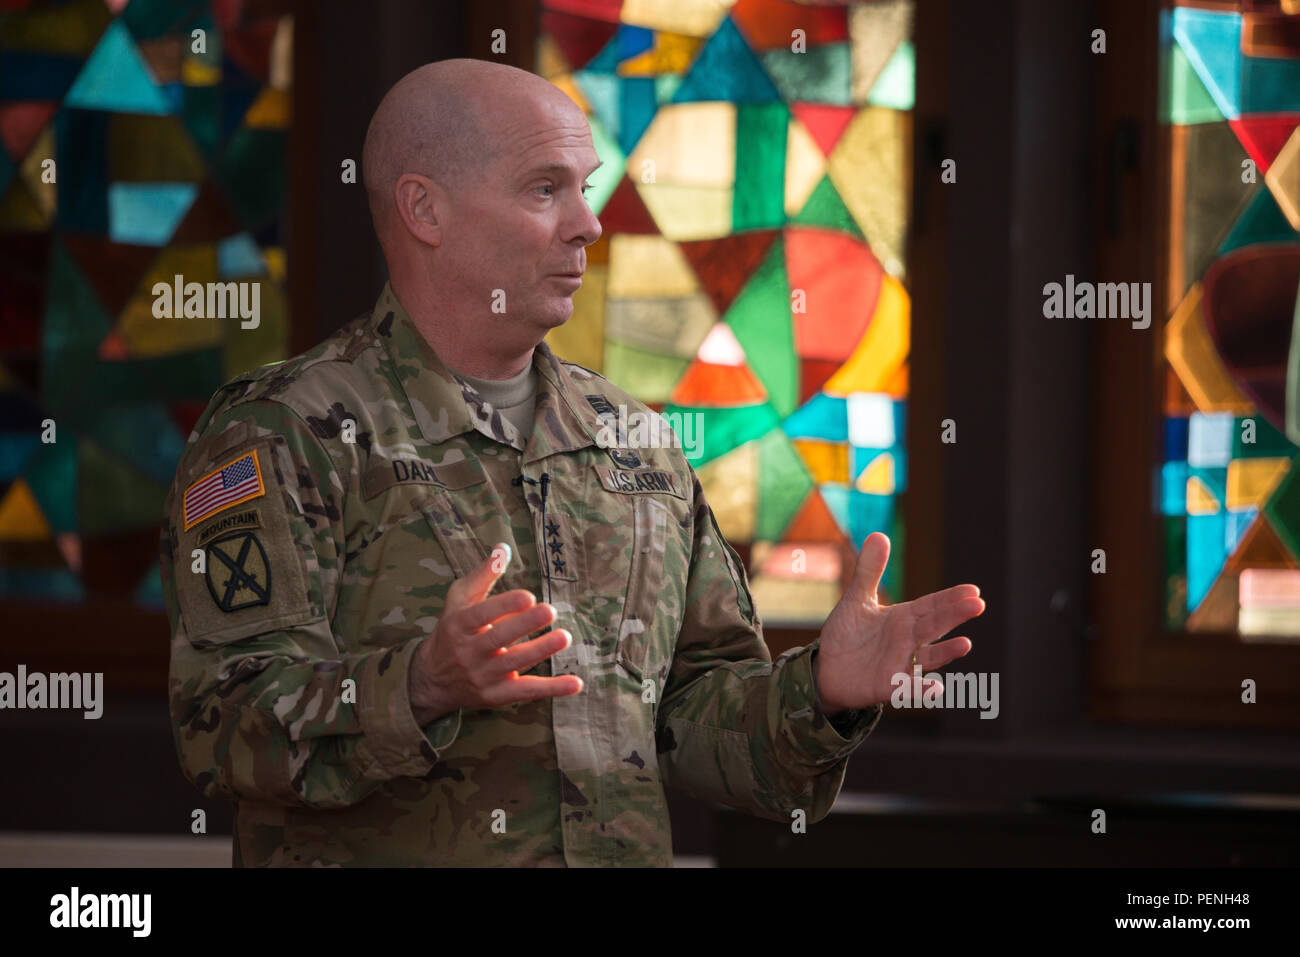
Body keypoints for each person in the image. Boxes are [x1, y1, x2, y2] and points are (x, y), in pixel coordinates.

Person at [159, 59, 985, 867]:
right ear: (424, 210)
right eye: (545, 188)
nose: (588, 223)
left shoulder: (638, 443)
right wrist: (419, 684)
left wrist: (820, 693)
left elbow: (691, 723)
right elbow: (223, 727)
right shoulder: (281, 433)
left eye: (583, 187)